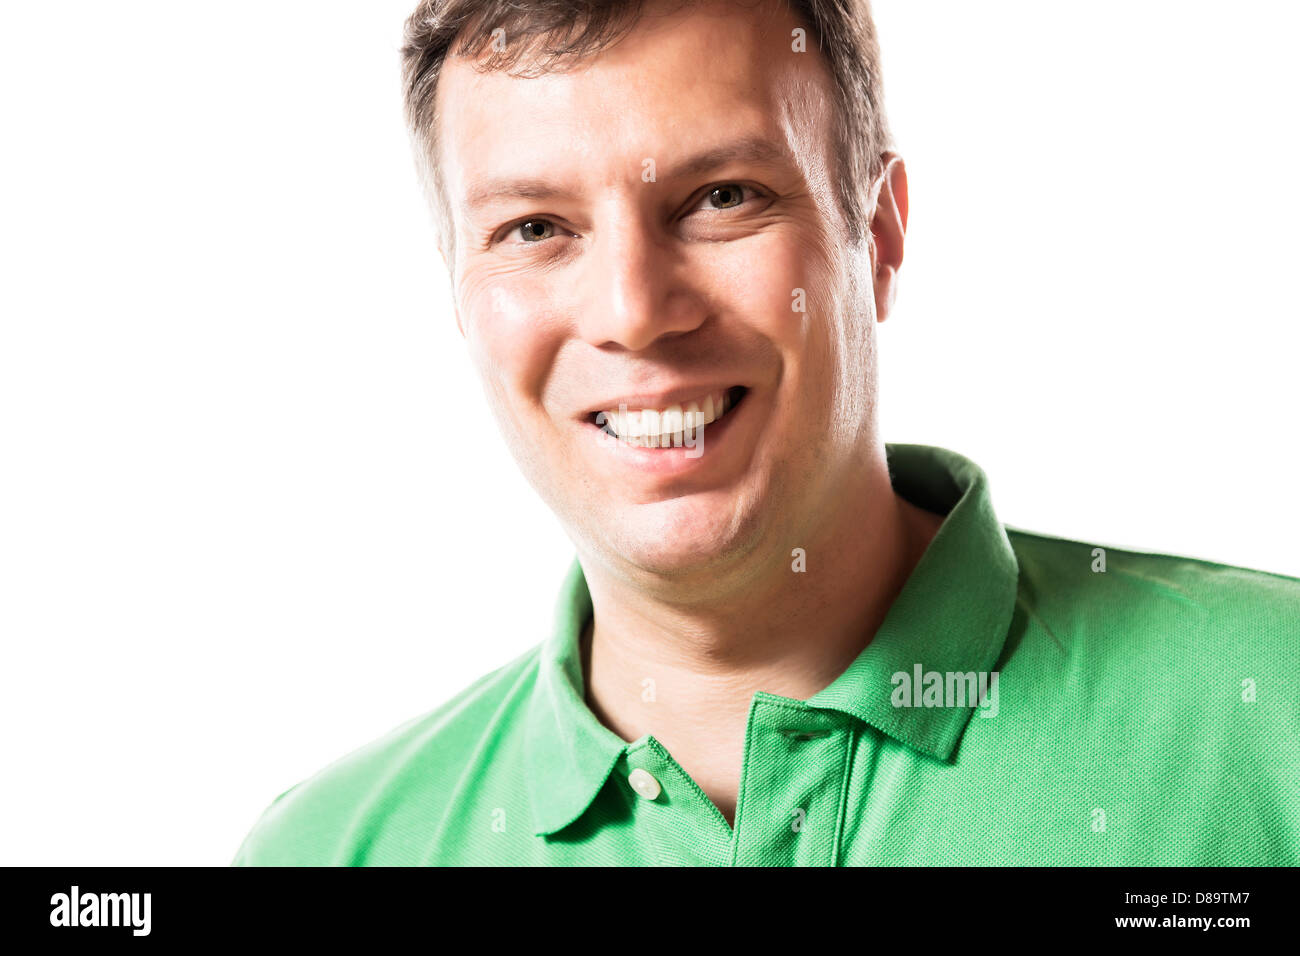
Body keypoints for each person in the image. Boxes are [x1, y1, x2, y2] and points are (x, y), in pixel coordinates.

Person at [233, 0, 1299, 866]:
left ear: (875, 237)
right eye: (535, 228)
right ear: (461, 295)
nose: (633, 309)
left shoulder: (1272, 712)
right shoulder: (330, 852)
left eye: (721, 196)